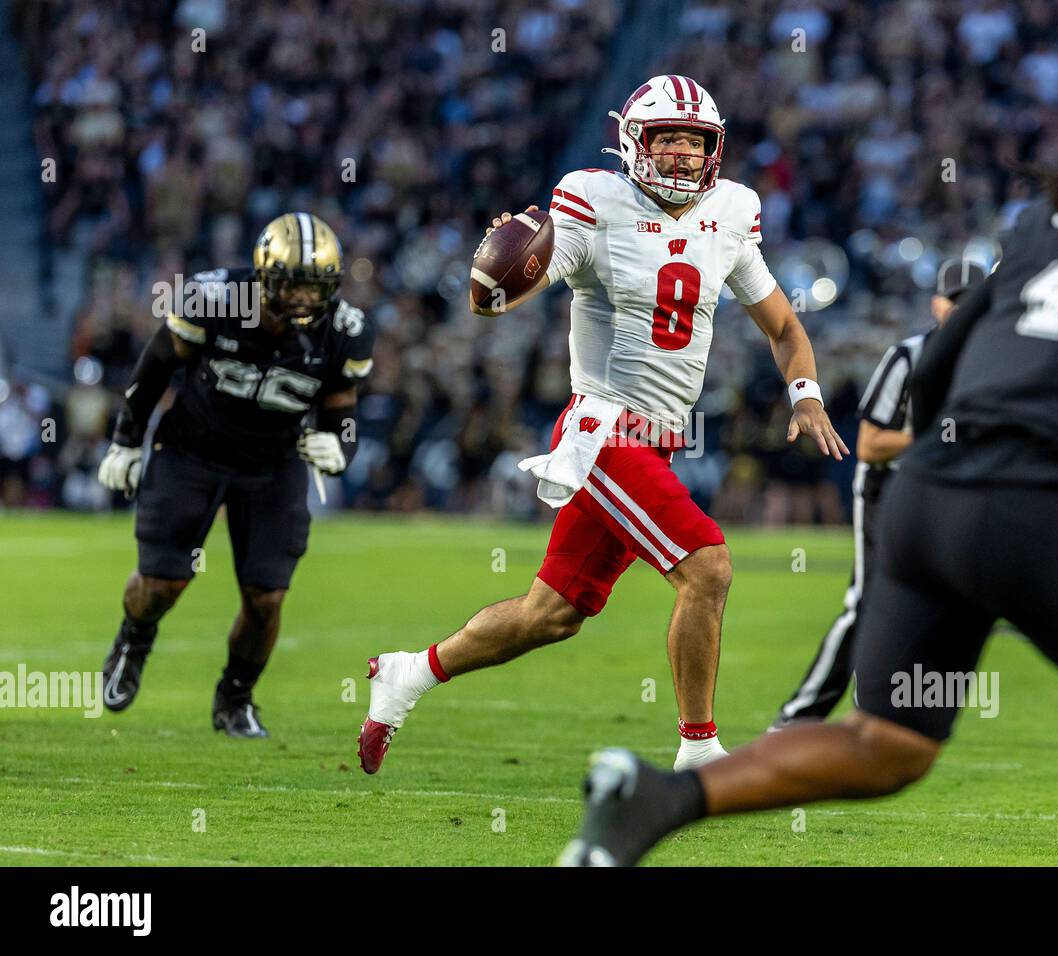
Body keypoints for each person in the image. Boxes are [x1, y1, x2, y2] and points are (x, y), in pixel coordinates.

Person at [561, 74, 1058, 866]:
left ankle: (658, 799)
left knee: (891, 741)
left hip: (924, 501)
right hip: (1041, 509)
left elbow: (937, 368)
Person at [358, 75, 848, 774]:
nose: (681, 155)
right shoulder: (594, 201)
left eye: (694, 141)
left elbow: (783, 325)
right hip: (605, 432)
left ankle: (410, 672)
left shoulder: (733, 210)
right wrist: (497, 276)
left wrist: (806, 394)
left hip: (661, 442)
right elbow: (510, 288)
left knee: (548, 615)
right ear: (633, 143)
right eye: (667, 139)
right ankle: (699, 751)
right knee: (708, 568)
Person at [98, 213, 374, 736]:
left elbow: (343, 409)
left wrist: (341, 447)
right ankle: (135, 636)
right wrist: (126, 442)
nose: (303, 300)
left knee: (266, 596)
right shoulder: (216, 298)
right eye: (292, 285)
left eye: (316, 289)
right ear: (265, 277)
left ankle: (235, 698)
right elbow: (156, 365)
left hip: (274, 463)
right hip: (192, 450)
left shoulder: (345, 331)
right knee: (162, 582)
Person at [771, 258, 987, 730]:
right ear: (937, 306)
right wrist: (946, 440)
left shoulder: (992, 364)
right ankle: (797, 720)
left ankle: (885, 713)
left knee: (944, 605)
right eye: (956, 303)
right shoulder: (909, 356)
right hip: (891, 487)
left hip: (950, 494)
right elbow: (871, 444)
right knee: (866, 602)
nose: (965, 313)